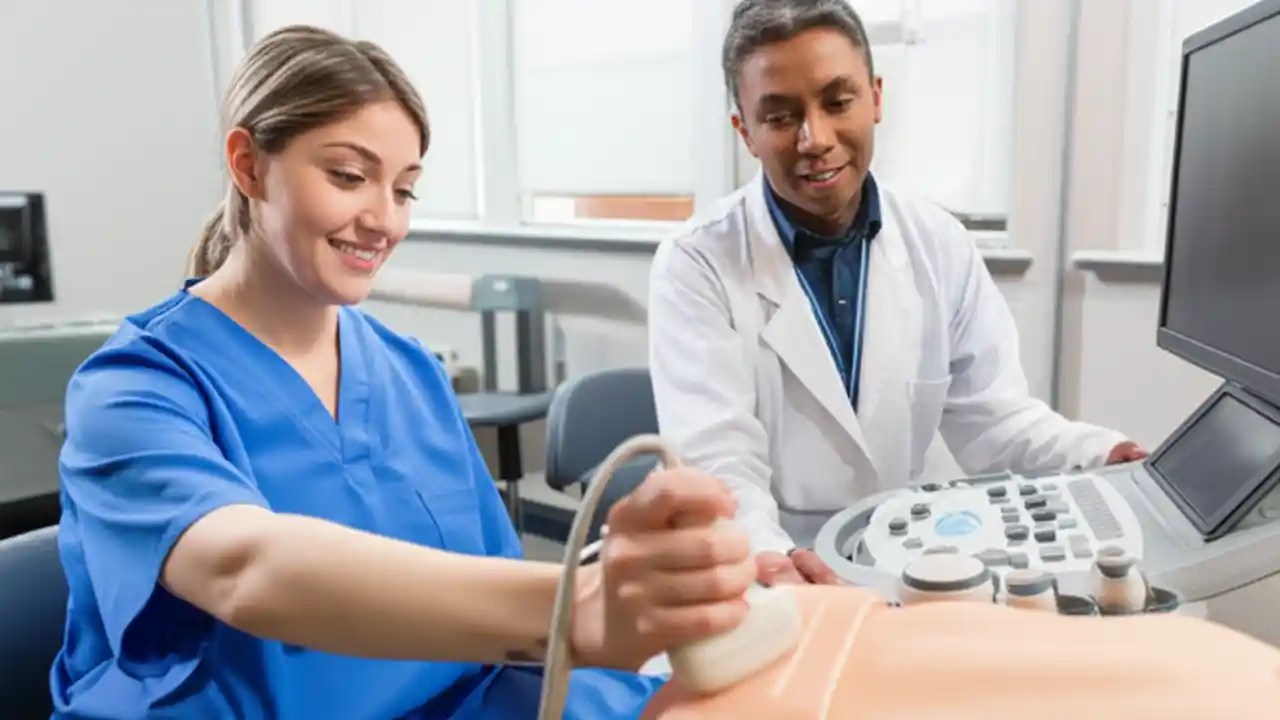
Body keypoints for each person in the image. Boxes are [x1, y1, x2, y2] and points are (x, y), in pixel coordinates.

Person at [51, 26, 756, 719]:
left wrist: (673, 595)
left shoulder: (408, 371)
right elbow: (245, 570)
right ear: (249, 165)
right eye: (348, 176)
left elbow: (497, 598)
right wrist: (579, 605)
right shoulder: (132, 391)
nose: (384, 220)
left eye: (405, 190)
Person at [647, 0, 1147, 586]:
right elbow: (721, 463)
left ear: (876, 98)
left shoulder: (939, 242)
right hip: (770, 567)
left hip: (906, 556)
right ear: (745, 133)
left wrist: (1101, 453)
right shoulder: (696, 263)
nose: (815, 138)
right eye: (780, 117)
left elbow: (995, 420)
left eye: (838, 102)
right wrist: (778, 566)